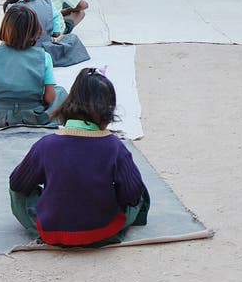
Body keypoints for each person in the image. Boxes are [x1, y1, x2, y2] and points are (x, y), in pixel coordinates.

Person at [9, 68, 150, 247]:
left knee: (19, 192)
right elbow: (132, 194)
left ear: (69, 103)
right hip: (103, 232)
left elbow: (17, 184)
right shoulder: (114, 146)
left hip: (53, 231)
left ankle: (51, 223)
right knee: (139, 189)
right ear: (109, 113)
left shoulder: (46, 145)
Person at [0, 4, 68, 128]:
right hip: (33, 116)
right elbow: (50, 98)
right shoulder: (44, 57)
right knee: (60, 92)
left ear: (4, 29)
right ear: (36, 30)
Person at [3, 0, 90, 68]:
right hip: (44, 47)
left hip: (18, 48)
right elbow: (56, 31)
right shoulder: (47, 2)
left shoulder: (11, 7)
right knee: (71, 38)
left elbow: (8, 33)